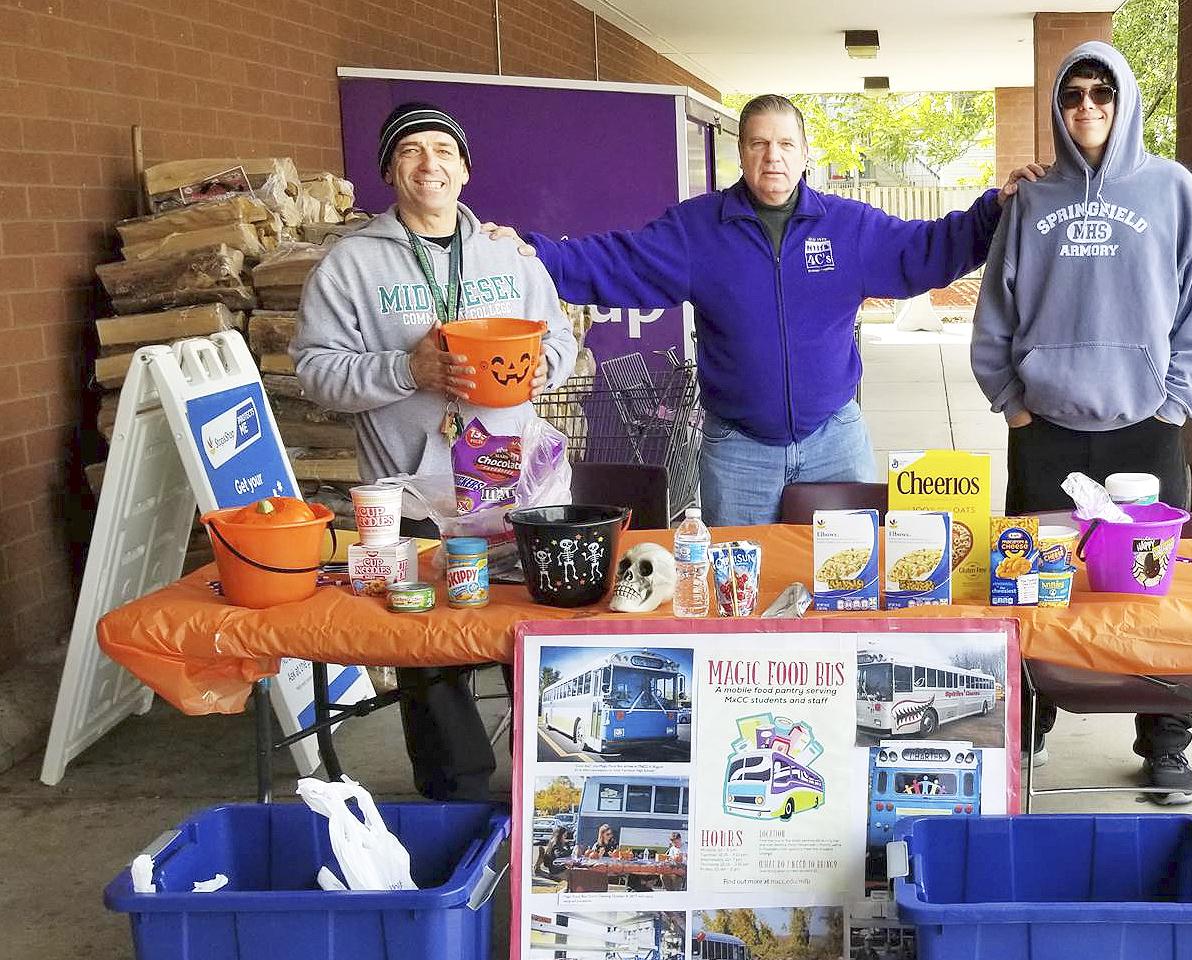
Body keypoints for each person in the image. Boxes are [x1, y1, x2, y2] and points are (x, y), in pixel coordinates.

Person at [491, 94, 1021, 525]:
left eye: (786, 144)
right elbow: (619, 260)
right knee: (741, 597)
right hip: (737, 450)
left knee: (848, 588)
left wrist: (991, 214)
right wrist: (539, 254)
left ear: (806, 153)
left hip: (834, 438)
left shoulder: (848, 227)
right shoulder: (699, 230)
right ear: (741, 153)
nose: (774, 157)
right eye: (760, 144)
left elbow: (924, 249)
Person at [292, 102, 576, 801]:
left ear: (465, 167)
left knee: (533, 630)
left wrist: (549, 367)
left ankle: (555, 781)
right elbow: (314, 372)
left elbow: (561, 337)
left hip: (517, 487)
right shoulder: (350, 264)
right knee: (427, 647)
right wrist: (405, 370)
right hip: (411, 490)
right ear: (389, 169)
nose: (430, 164)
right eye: (412, 151)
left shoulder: (506, 254)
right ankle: (460, 797)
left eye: (443, 150)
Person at [971, 41, 1192, 803]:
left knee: (1149, 593)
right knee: (1036, 592)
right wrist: (1012, 403)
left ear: (1124, 103)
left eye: (1101, 94)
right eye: (1074, 93)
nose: (1086, 106)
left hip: (1144, 426)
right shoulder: (1032, 201)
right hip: (1044, 427)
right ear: (1057, 106)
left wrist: (1174, 402)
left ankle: (1164, 742)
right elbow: (996, 309)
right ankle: (1033, 728)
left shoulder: (1169, 189)